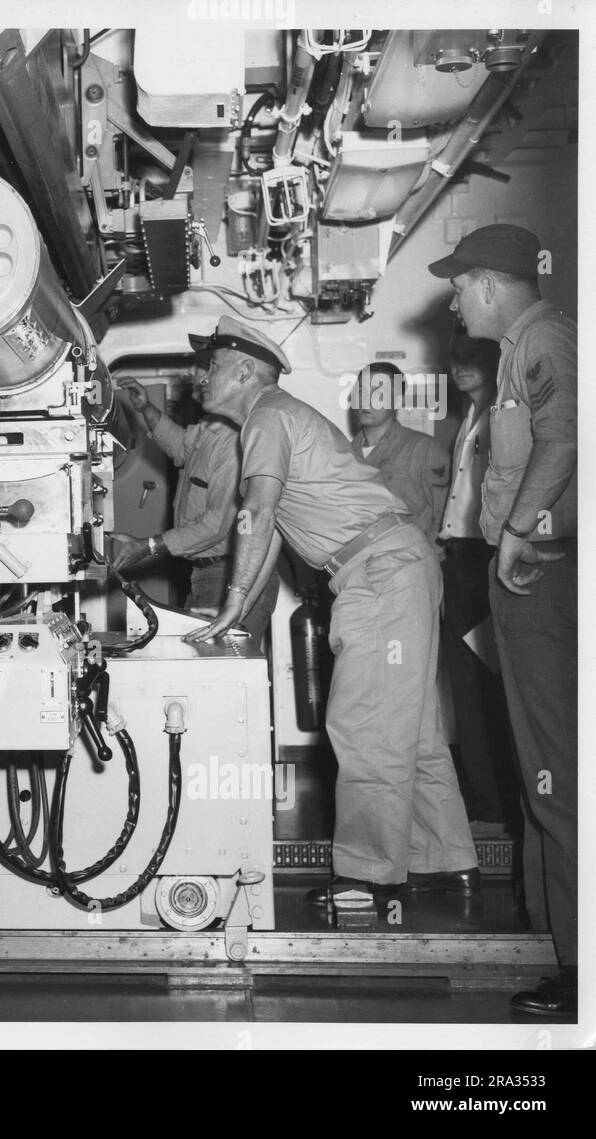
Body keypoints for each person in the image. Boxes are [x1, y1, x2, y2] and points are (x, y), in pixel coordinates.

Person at [181, 316, 478, 914]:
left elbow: (256, 514)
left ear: (244, 370)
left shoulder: (266, 416)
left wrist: (234, 599)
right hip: (392, 566)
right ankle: (445, 862)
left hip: (379, 574)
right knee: (411, 730)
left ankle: (370, 877)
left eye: (211, 365)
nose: (201, 376)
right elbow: (266, 536)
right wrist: (236, 604)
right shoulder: (273, 420)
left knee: (364, 722)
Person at [430, 224, 577, 1017]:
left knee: (558, 773)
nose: (453, 299)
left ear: (488, 283)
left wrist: (517, 533)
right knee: (542, 771)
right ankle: (557, 941)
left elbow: (565, 440)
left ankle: (579, 970)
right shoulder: (522, 351)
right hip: (530, 575)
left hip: (546, 576)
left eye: (459, 285)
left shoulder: (544, 339)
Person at [110, 372, 279, 649]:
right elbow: (180, 445)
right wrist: (146, 409)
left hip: (229, 572)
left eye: (209, 369)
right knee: (202, 661)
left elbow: (215, 527)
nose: (199, 378)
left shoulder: (235, 442)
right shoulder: (210, 429)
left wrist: (148, 546)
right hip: (205, 572)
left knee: (222, 667)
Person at [436, 336, 519, 842]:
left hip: (484, 557)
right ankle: (488, 803)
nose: (461, 366)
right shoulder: (466, 421)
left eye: (473, 356)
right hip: (458, 559)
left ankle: (498, 806)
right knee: (466, 682)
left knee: (487, 684)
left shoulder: (499, 416)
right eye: (455, 357)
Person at [348, 362, 450, 546]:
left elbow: (443, 517)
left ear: (398, 400)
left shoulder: (425, 450)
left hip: (410, 564)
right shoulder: (345, 454)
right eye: (362, 392)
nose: (366, 400)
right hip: (358, 566)